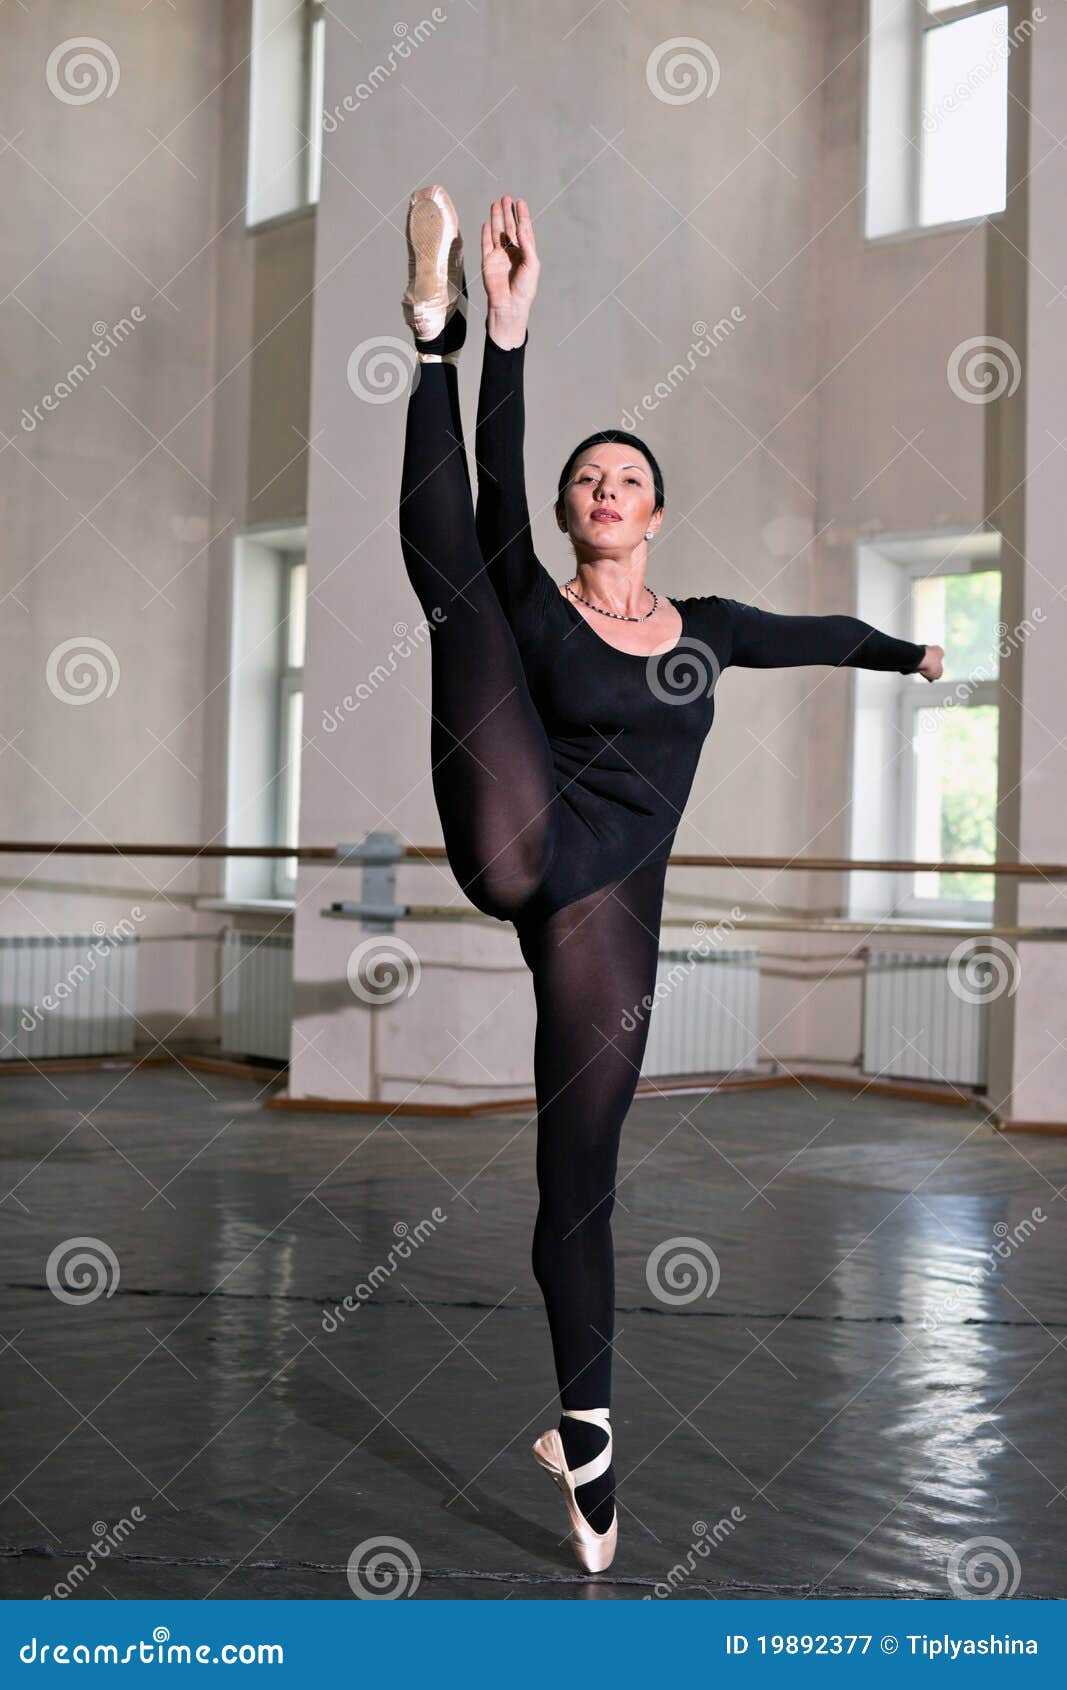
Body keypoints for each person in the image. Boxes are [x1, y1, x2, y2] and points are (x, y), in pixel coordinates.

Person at [397, 185, 943, 1573]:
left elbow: (809, 630)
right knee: (463, 575)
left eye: (622, 479)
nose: (600, 491)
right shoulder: (544, 599)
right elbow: (500, 483)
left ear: (655, 511)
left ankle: (584, 1427)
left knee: (578, 1178)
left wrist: (911, 655)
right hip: (517, 831)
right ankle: (429, 329)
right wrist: (497, 337)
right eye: (587, 480)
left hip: (607, 917)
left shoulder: (703, 630)